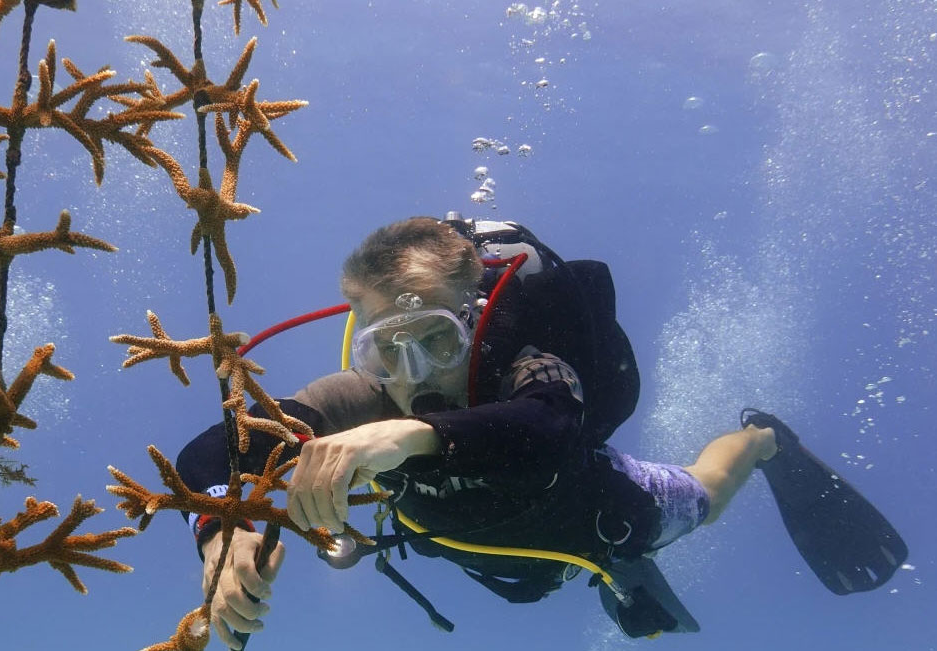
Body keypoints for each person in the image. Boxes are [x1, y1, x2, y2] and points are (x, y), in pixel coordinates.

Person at [175, 216, 907, 647]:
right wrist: (222, 522)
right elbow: (217, 449)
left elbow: (548, 428)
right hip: (491, 553)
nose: (412, 369)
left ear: (475, 320)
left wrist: (404, 436)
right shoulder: (357, 396)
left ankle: (762, 437)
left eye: (435, 338)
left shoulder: (532, 365)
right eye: (384, 347)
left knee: (709, 493)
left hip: (601, 515)